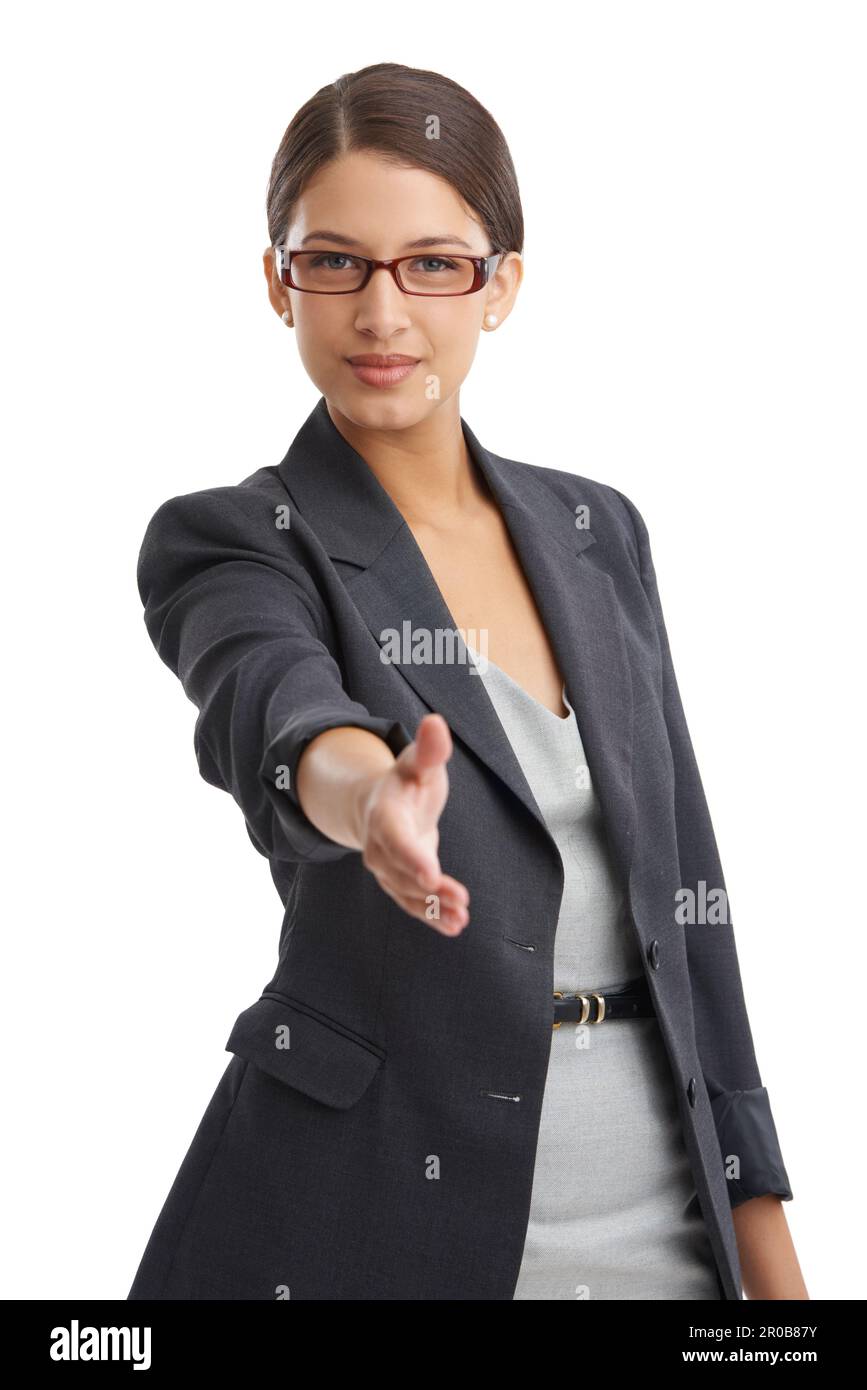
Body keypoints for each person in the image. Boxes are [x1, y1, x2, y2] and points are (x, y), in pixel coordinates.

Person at [128, 61, 807, 1301]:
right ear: (279, 283)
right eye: (335, 261)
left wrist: (775, 1270)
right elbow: (274, 704)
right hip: (375, 1220)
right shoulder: (232, 539)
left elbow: (691, 905)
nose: (383, 311)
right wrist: (366, 794)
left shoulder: (598, 530)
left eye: (433, 264)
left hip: (665, 1233)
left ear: (501, 287)